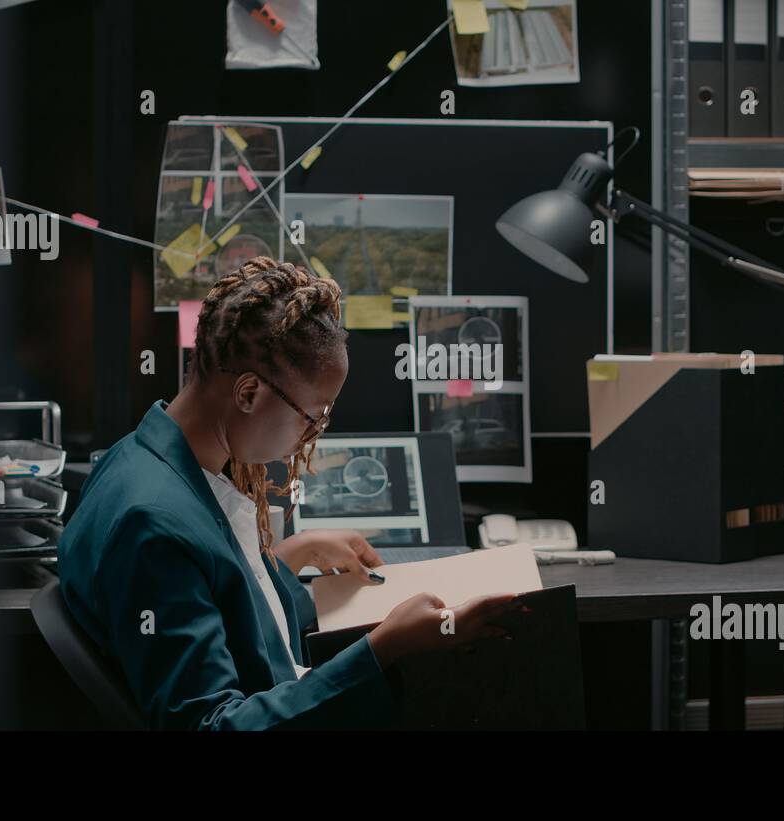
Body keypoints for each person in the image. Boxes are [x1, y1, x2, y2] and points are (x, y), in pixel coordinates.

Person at [57, 256, 521, 729]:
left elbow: (216, 596)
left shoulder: (143, 458)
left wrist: (290, 557)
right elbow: (211, 724)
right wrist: (385, 648)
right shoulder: (153, 523)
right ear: (249, 394)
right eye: (313, 414)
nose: (314, 433)